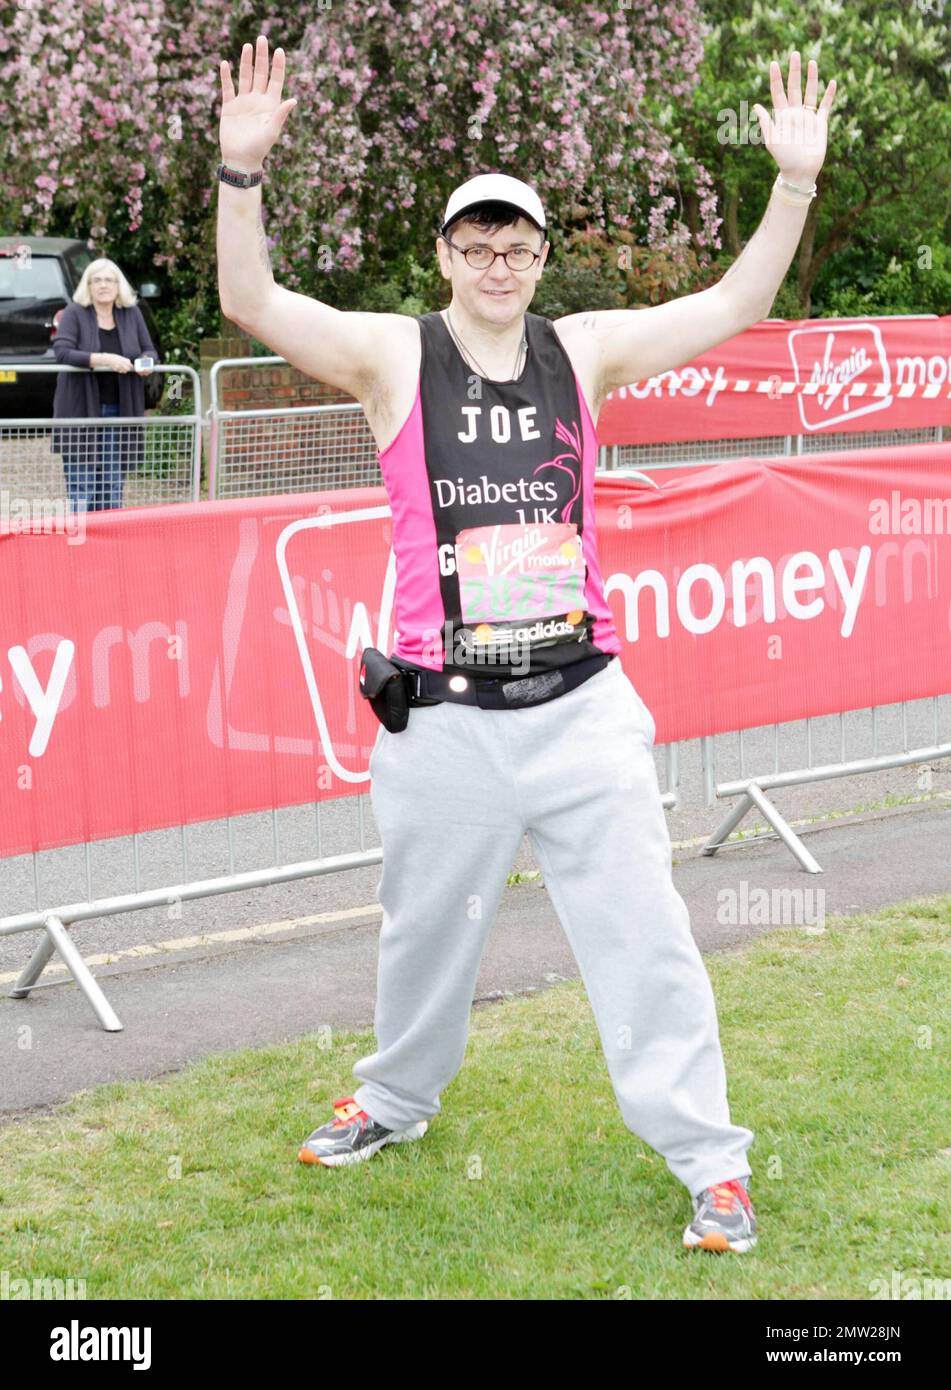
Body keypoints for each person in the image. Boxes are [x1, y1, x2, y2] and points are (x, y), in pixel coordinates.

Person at [216, 36, 835, 1254]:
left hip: (579, 711)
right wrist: (243, 175)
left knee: (645, 935)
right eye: (476, 244)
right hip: (443, 720)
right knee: (422, 934)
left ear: (541, 257)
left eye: (519, 245)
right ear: (444, 255)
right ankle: (393, 1100)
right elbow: (253, 302)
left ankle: (712, 1164)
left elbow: (735, 304)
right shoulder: (396, 353)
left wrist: (795, 184)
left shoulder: (584, 349)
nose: (498, 263)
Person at [52, 258, 160, 512]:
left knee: (112, 483)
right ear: (88, 286)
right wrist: (104, 360)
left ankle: (109, 544)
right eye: (96, 280)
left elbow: (149, 351)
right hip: (80, 411)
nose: (103, 285)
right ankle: (82, 543)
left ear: (118, 285)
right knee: (83, 483)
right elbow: (62, 352)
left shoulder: (131, 313)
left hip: (119, 411)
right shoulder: (74, 313)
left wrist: (145, 363)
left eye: (108, 280)